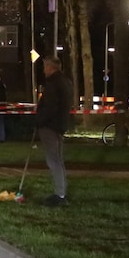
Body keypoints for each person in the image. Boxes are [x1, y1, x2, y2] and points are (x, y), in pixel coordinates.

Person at [33, 56, 73, 207]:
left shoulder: (53, 84)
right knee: (58, 159)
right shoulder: (65, 82)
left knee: (54, 160)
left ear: (50, 67)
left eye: (44, 67)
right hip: (59, 125)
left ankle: (60, 194)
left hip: (51, 126)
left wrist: (39, 120)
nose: (43, 71)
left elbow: (50, 107)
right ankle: (60, 192)